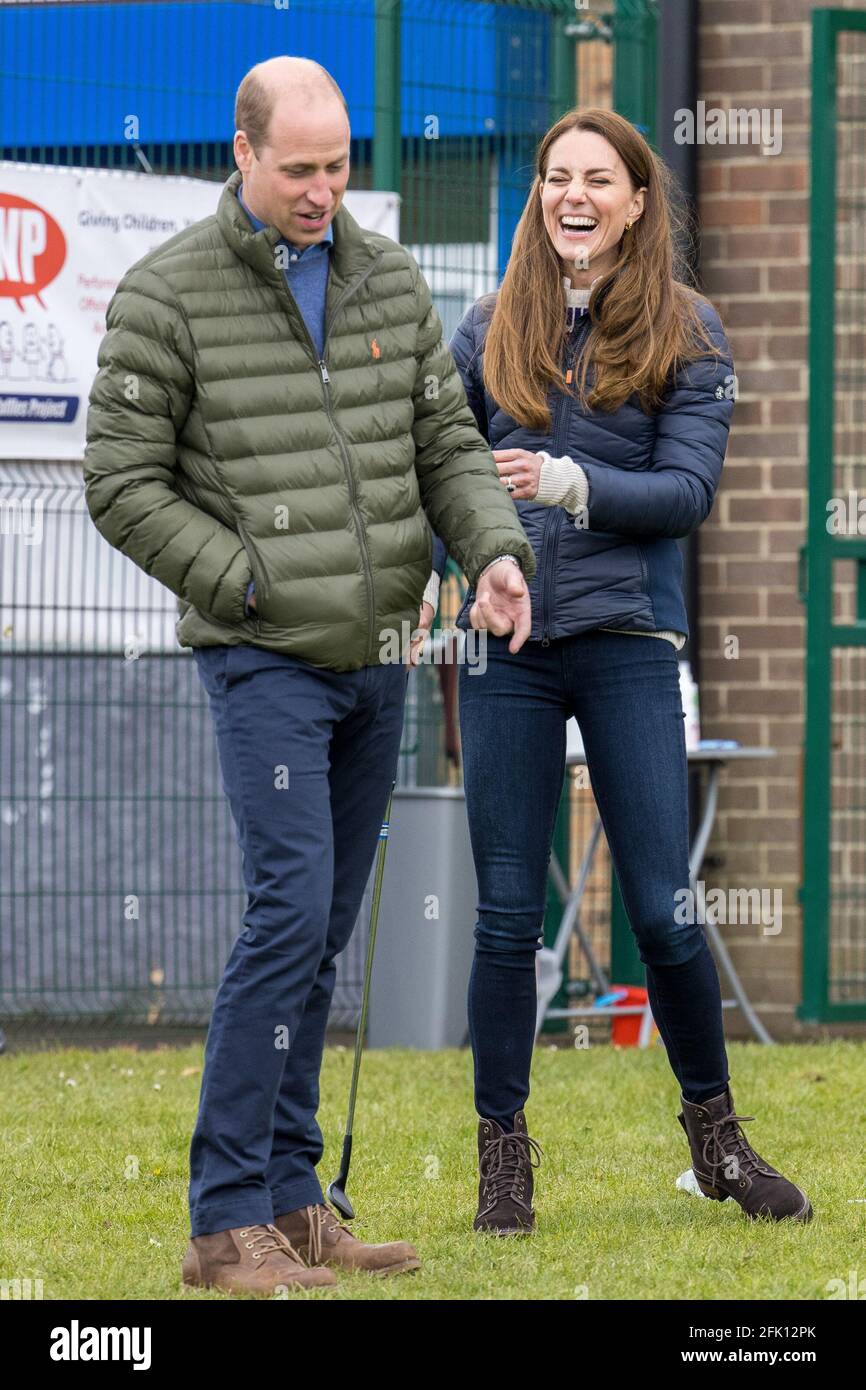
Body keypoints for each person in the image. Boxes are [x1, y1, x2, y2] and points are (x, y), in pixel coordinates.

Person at [83, 55, 536, 1296]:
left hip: (375, 659)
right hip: (263, 658)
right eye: (298, 169)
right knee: (288, 911)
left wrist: (493, 552)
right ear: (241, 154)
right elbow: (119, 483)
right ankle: (224, 1220)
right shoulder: (166, 293)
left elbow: (445, 441)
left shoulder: (386, 273)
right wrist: (243, 582)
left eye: (338, 167)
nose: (321, 191)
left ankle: (294, 1198)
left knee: (321, 928)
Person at [449, 107, 812, 1235]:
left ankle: (715, 1138)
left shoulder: (689, 331)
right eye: (555, 175)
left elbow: (686, 496)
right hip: (506, 650)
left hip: (624, 647)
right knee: (507, 917)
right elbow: (442, 473)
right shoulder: (481, 328)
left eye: (596, 179)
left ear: (637, 199)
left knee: (660, 906)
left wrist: (566, 485)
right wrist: (463, 566)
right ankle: (502, 1163)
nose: (573, 195)